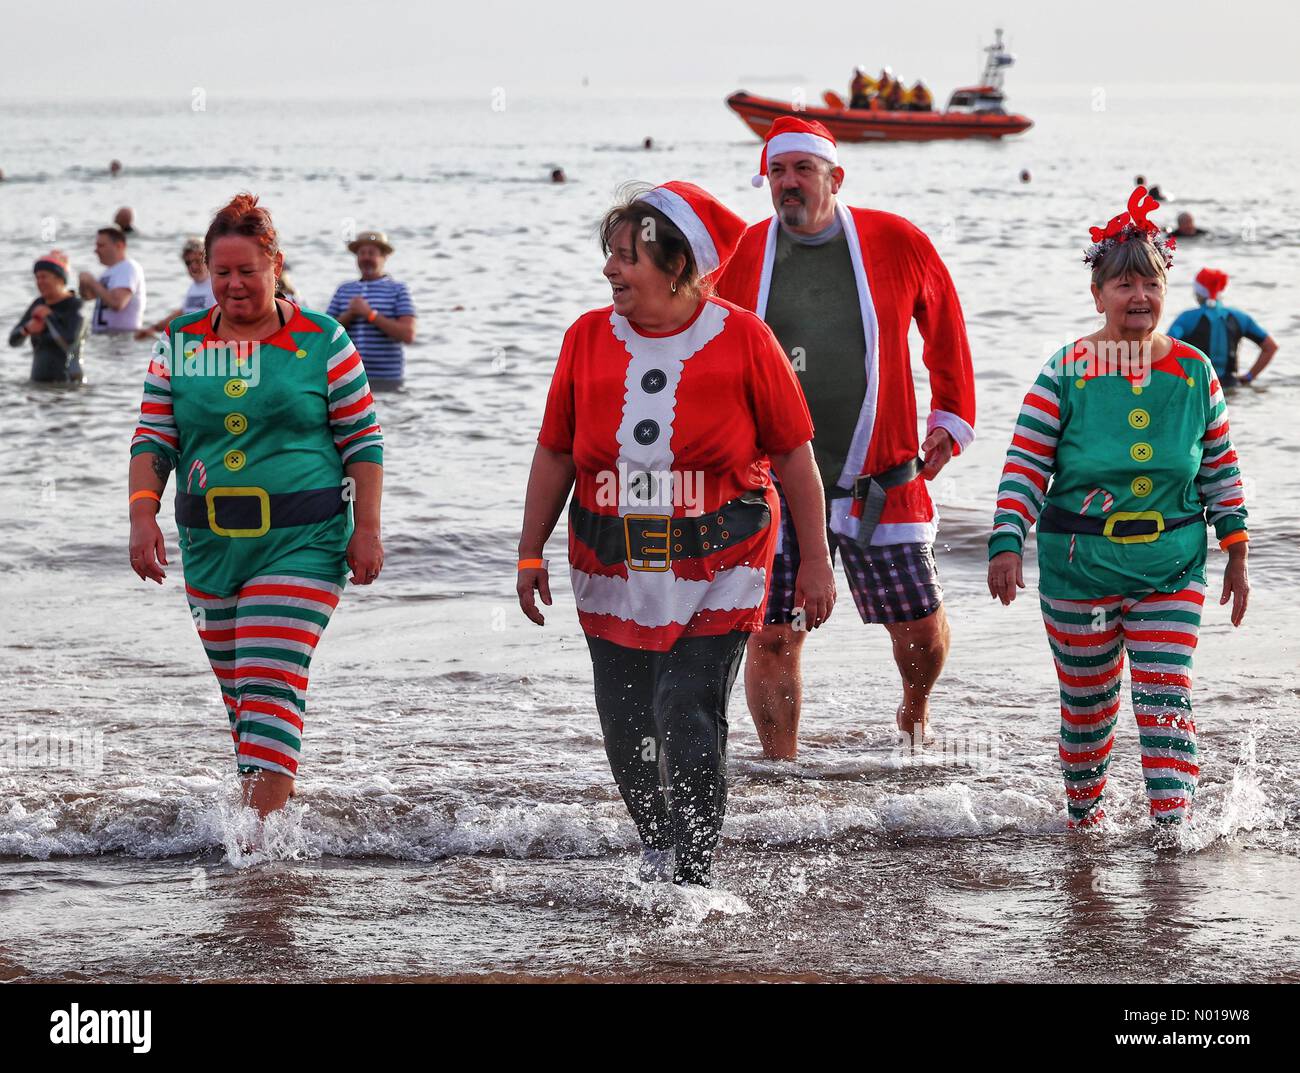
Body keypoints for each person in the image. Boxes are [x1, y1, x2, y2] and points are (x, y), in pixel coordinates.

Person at [517, 181, 834, 887]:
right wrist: (529, 549)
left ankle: (693, 876)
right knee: (627, 727)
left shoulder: (746, 338)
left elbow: (794, 457)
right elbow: (557, 451)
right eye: (611, 255)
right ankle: (658, 849)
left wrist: (815, 560)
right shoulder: (584, 337)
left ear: (677, 263)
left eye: (627, 257)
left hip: (720, 557)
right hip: (610, 559)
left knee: (684, 707)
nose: (610, 271)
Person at [988, 186, 1249, 829]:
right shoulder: (1066, 370)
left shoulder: (1195, 373)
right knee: (1087, 706)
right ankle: (1085, 819)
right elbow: (1025, 465)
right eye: (1124, 285)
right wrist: (1004, 540)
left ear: (1165, 290)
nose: (1140, 298)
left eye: (1152, 283)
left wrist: (1237, 555)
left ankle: (1172, 836)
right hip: (1080, 565)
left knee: (1165, 697)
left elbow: (1221, 470)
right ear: (1098, 294)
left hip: (1172, 563)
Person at [716, 117, 976, 756]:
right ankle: (783, 773)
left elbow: (944, 321)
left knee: (917, 629)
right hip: (771, 483)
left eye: (803, 169)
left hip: (879, 475)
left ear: (836, 176)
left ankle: (914, 708)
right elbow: (708, 343)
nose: (789, 183)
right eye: (778, 171)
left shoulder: (896, 240)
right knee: (774, 633)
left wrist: (950, 416)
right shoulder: (746, 253)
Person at [127, 193, 386, 819]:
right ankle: (275, 829)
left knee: (268, 680)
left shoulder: (322, 341)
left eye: (248, 270)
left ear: (276, 264)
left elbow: (362, 439)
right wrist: (142, 516)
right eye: (223, 273)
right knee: (243, 697)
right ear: (207, 273)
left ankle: (255, 852)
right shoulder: (180, 343)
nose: (235, 284)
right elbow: (154, 437)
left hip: (305, 540)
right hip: (210, 548)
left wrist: (368, 529)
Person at [327, 230, 416, 388]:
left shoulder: (398, 289)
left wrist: (370, 314)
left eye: (371, 253)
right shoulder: (344, 289)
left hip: (388, 380)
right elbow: (324, 334)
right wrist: (349, 315)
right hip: (348, 379)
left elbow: (407, 334)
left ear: (384, 257)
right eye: (362, 253)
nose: (366, 258)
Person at [1168, 268, 1277, 387]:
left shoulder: (1187, 319)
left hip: (1197, 386)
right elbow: (1270, 347)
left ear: (1198, 293)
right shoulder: (1240, 318)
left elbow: (1165, 347)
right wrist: (1249, 377)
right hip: (1230, 385)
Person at [8, 251, 86, 382]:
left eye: (44, 277)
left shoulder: (76, 306)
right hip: (38, 383)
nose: (39, 282)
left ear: (60, 279)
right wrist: (26, 330)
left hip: (68, 384)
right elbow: (13, 341)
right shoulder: (38, 304)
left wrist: (50, 317)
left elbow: (69, 342)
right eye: (37, 278)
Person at [135, 237, 215, 340]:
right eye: (188, 262)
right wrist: (154, 328)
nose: (193, 266)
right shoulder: (193, 287)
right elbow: (182, 312)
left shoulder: (214, 285)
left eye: (197, 261)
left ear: (207, 260)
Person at [78, 227, 146, 334]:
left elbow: (117, 303)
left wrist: (92, 282)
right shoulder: (108, 272)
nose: (96, 250)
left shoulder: (128, 267)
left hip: (122, 337)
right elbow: (88, 297)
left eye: (101, 246)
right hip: (105, 338)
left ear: (119, 246)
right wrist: (83, 283)